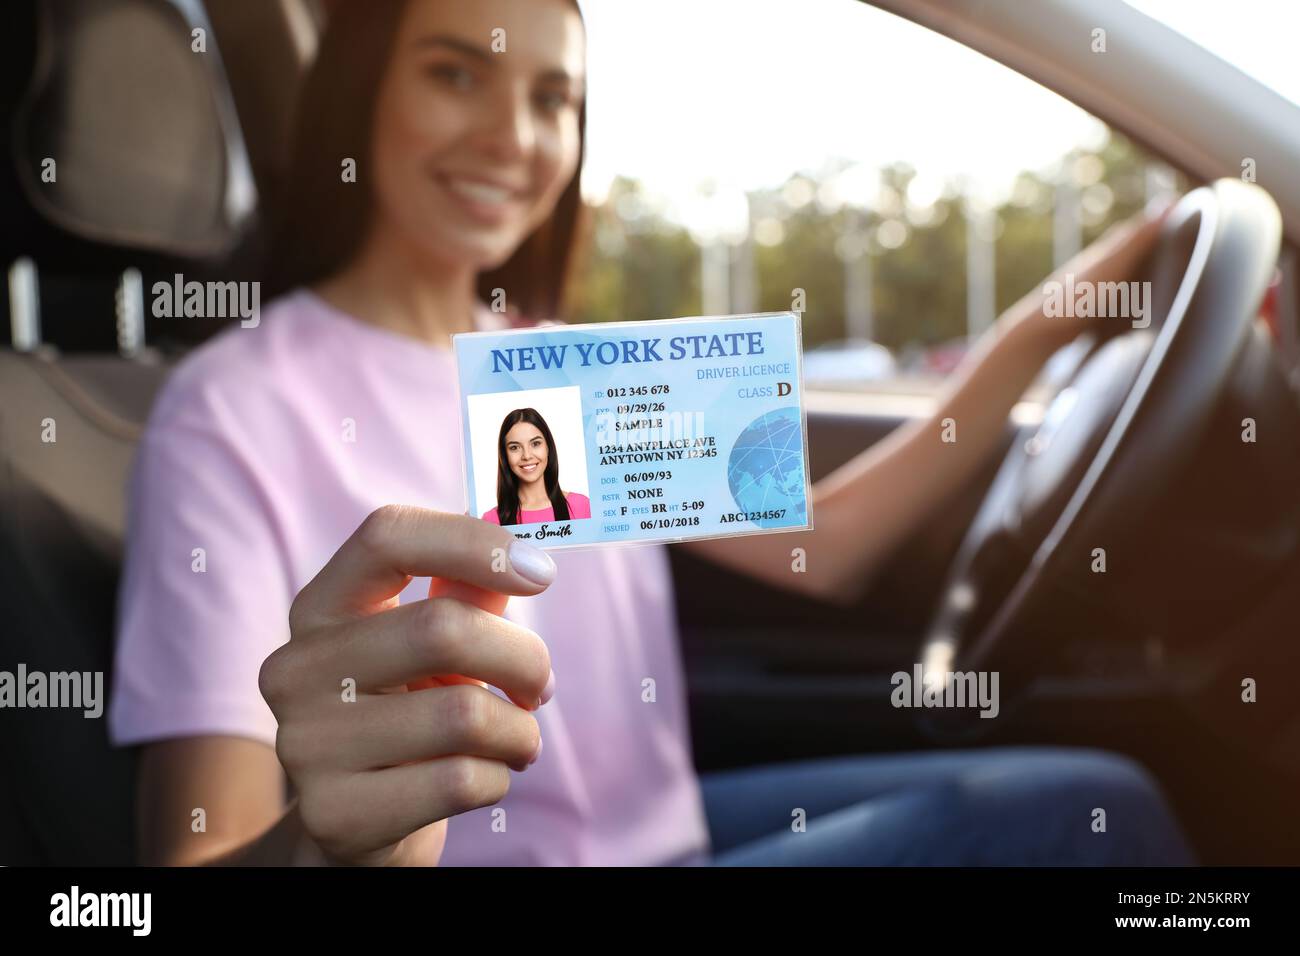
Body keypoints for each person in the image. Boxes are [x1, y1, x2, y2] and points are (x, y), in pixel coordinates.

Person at [109, 0, 1193, 866]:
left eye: (553, 96)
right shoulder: (234, 407)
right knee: (1101, 809)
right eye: (454, 71)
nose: (513, 135)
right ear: (358, 93)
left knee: (1093, 792)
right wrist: (333, 852)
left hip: (664, 833)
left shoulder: (562, 366)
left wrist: (1036, 333)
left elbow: (837, 544)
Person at [482, 407, 591, 526]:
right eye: (514, 447)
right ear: (505, 455)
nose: (527, 456)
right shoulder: (491, 521)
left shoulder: (581, 506)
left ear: (548, 447)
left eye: (535, 444)